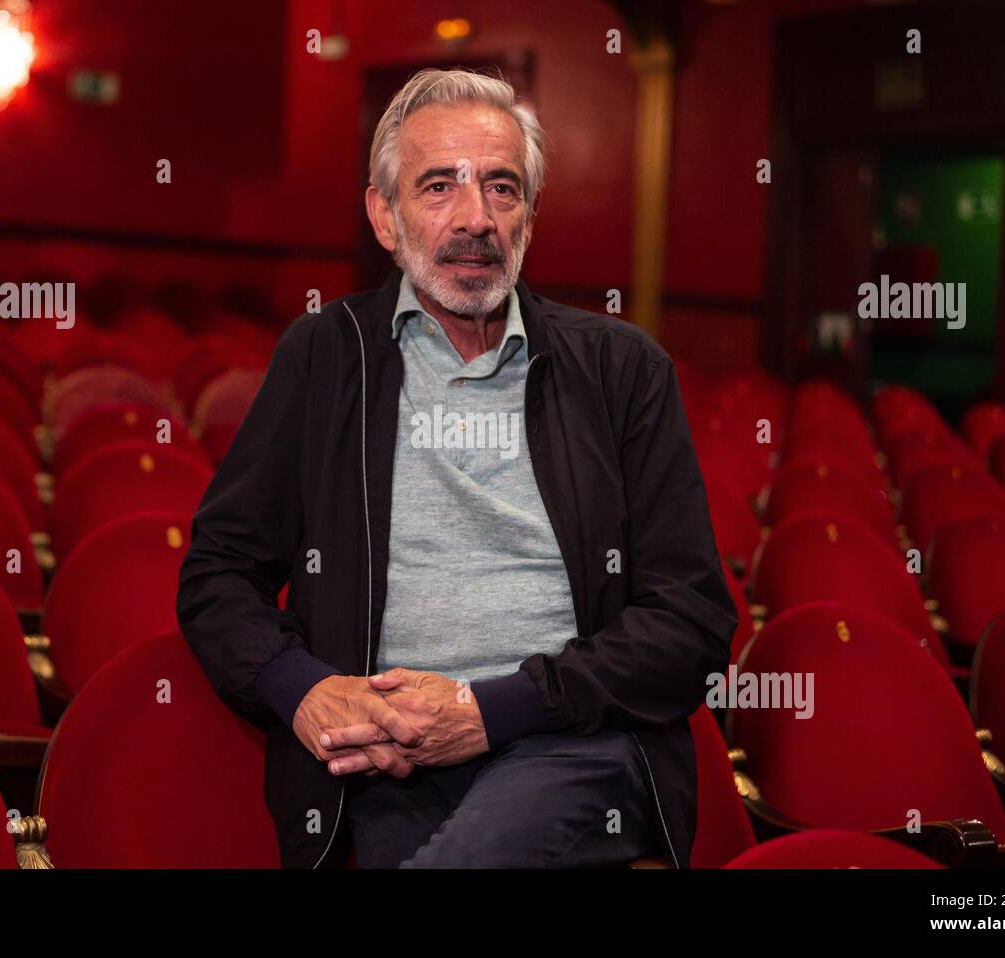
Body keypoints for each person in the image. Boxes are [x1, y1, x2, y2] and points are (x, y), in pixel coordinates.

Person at [177, 68, 735, 868]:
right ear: (384, 214)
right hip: (378, 762)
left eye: (502, 189)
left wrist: (490, 710)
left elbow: (692, 624)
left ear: (531, 218)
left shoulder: (622, 371)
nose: (476, 219)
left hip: (568, 745)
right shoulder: (327, 358)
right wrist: (302, 687)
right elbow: (218, 573)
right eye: (439, 186)